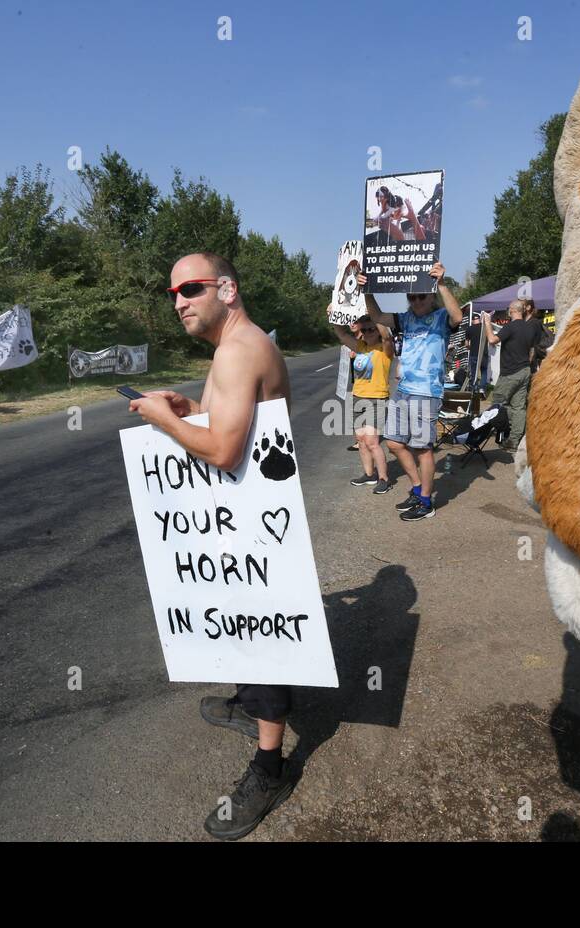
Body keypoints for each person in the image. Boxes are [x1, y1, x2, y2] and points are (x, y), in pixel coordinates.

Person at [127, 252, 297, 841]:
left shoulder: (238, 349)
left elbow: (226, 452)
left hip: (256, 516)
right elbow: (235, 423)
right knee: (246, 625)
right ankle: (251, 707)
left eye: (191, 289)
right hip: (254, 510)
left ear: (226, 289)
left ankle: (270, 766)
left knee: (264, 634)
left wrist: (160, 419)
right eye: (173, 292)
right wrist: (191, 409)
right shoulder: (245, 345)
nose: (179, 302)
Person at [359, 261, 463, 521]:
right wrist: (367, 291)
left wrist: (440, 284)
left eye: (421, 296)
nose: (417, 301)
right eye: (413, 297)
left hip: (426, 392)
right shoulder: (405, 319)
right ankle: (417, 488)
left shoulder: (440, 317)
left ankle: (427, 502)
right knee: (394, 442)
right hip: (403, 390)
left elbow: (458, 317)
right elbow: (379, 317)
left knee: (422, 449)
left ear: (430, 297)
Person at [331, 313, 394, 493]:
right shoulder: (360, 346)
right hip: (358, 397)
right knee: (361, 440)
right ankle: (369, 474)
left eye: (371, 329)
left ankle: (384, 479)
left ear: (378, 330)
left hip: (377, 398)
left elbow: (388, 337)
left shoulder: (385, 349)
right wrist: (334, 316)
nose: (367, 332)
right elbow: (342, 335)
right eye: (364, 329)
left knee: (372, 442)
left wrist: (377, 319)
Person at [484, 299, 543, 451]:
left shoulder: (510, 327)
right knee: (519, 407)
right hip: (525, 370)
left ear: (512, 310)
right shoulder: (530, 327)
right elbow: (531, 351)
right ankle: (514, 440)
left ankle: (490, 431)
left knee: (497, 404)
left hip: (510, 372)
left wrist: (487, 323)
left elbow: (492, 340)